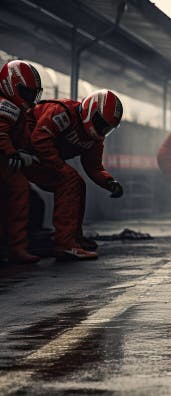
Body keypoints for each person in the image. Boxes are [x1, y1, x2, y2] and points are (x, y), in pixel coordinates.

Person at [24, 89, 124, 261]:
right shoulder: (63, 112)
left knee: (77, 183)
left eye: (107, 128)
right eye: (101, 123)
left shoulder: (95, 139)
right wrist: (61, 167)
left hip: (36, 157)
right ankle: (65, 244)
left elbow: (94, 167)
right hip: (22, 151)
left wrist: (109, 182)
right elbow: (40, 139)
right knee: (70, 180)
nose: (102, 130)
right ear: (90, 110)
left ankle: (73, 238)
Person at [0, 60, 43, 264]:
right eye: (26, 92)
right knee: (18, 191)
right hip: (5, 159)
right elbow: (1, 133)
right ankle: (16, 248)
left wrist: (23, 151)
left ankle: (12, 246)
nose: (30, 98)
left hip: (5, 158)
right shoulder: (6, 106)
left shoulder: (16, 109)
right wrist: (13, 154)